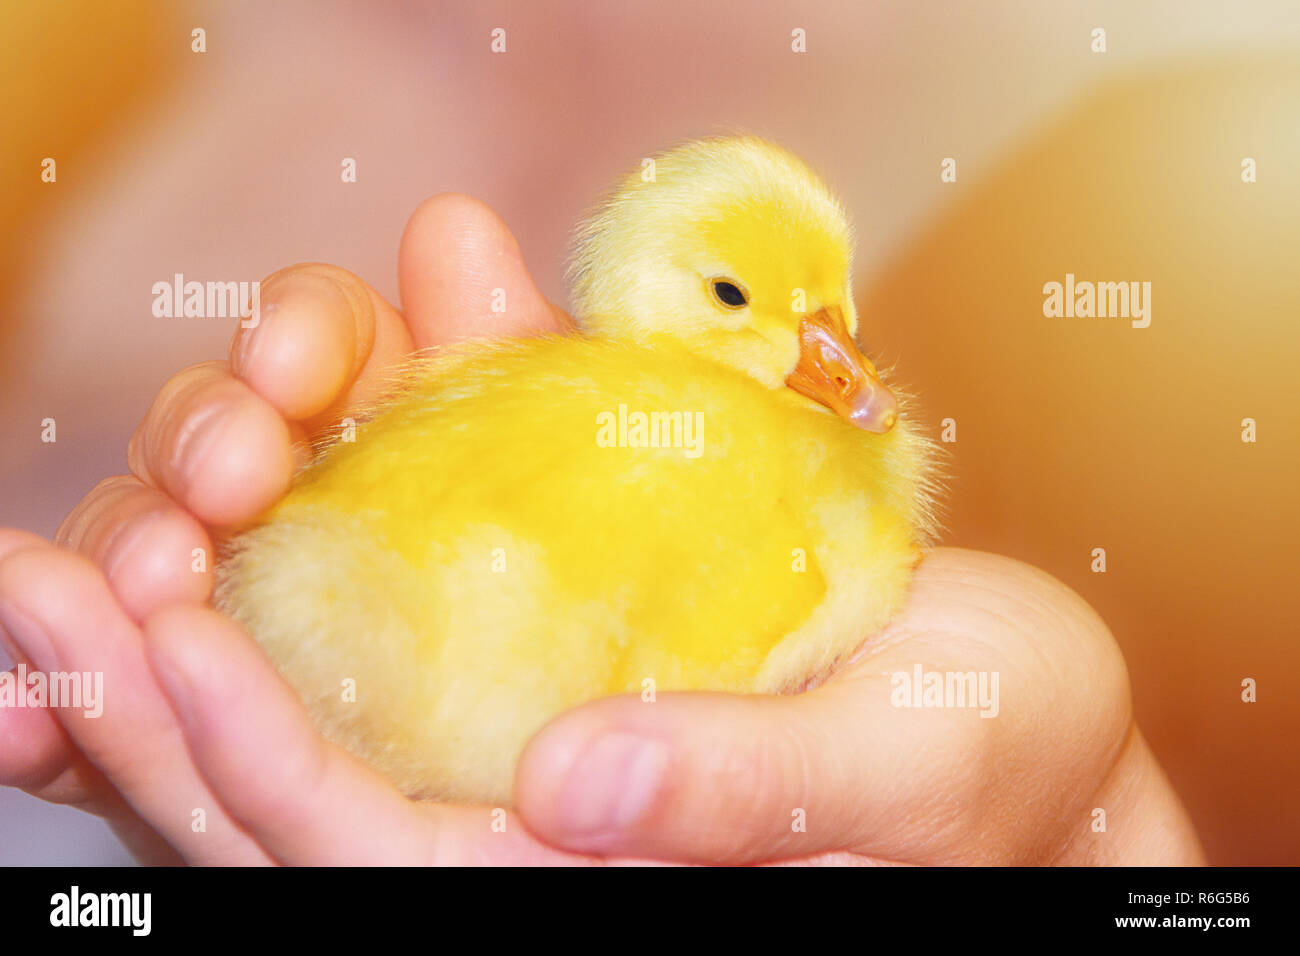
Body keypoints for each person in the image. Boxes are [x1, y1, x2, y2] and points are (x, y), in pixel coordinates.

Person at [0, 194, 1205, 866]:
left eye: (831, 311)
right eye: (745, 299)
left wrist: (1107, 831)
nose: (835, 352)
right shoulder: (788, 455)